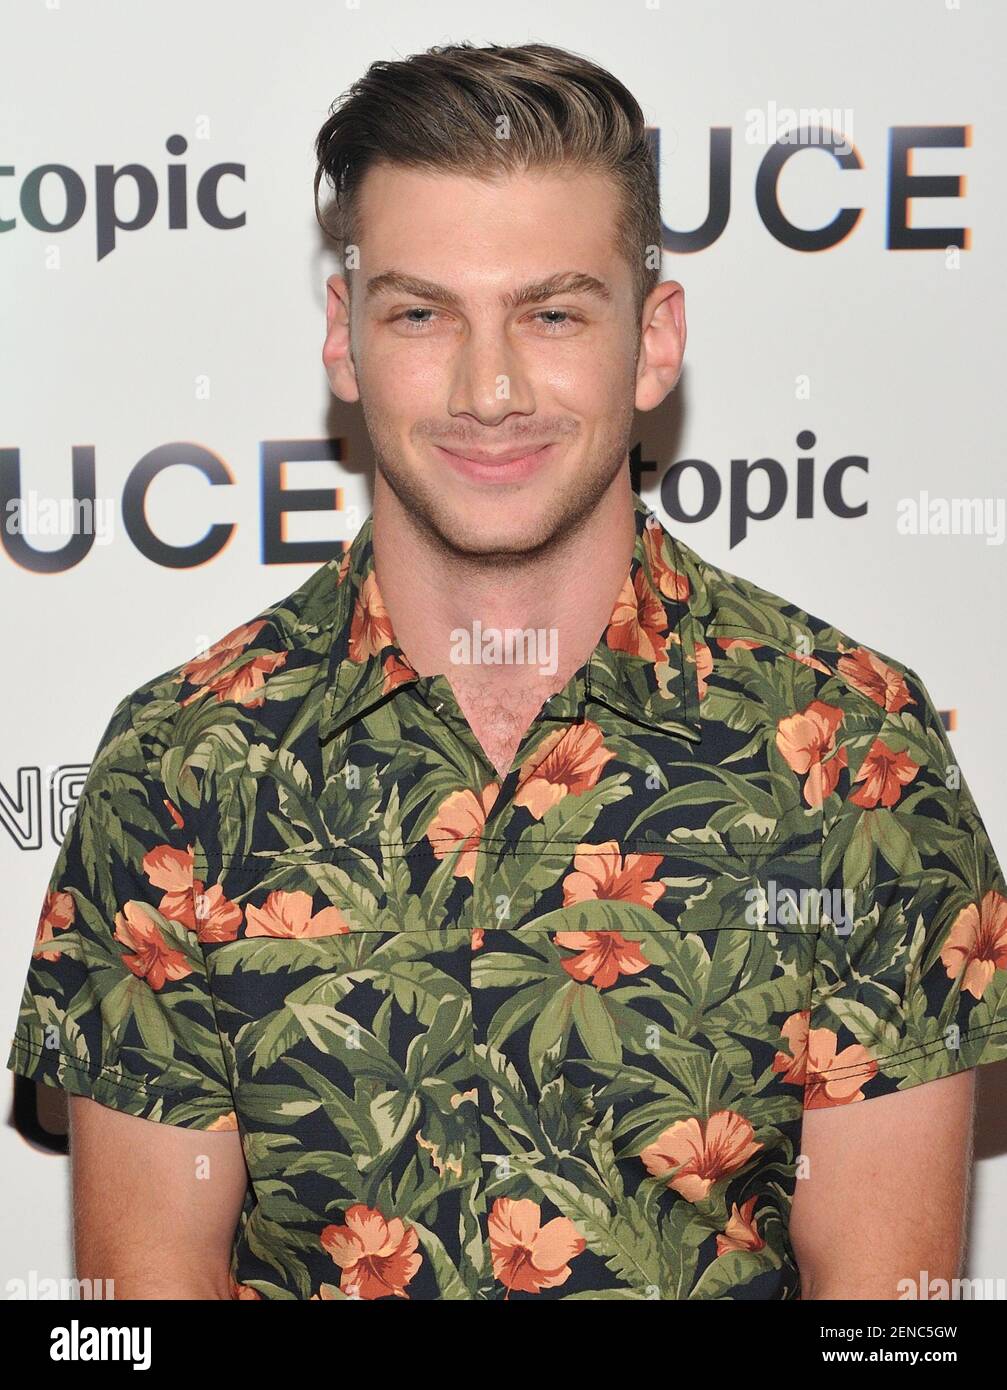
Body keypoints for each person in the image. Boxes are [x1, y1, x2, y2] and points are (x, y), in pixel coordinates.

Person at [8, 40, 1006, 1302]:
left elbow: (886, 1328)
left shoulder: (853, 755)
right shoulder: (181, 768)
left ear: (651, 340)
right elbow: (140, 1317)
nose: (489, 389)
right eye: (422, 313)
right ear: (345, 338)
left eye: (550, 313)